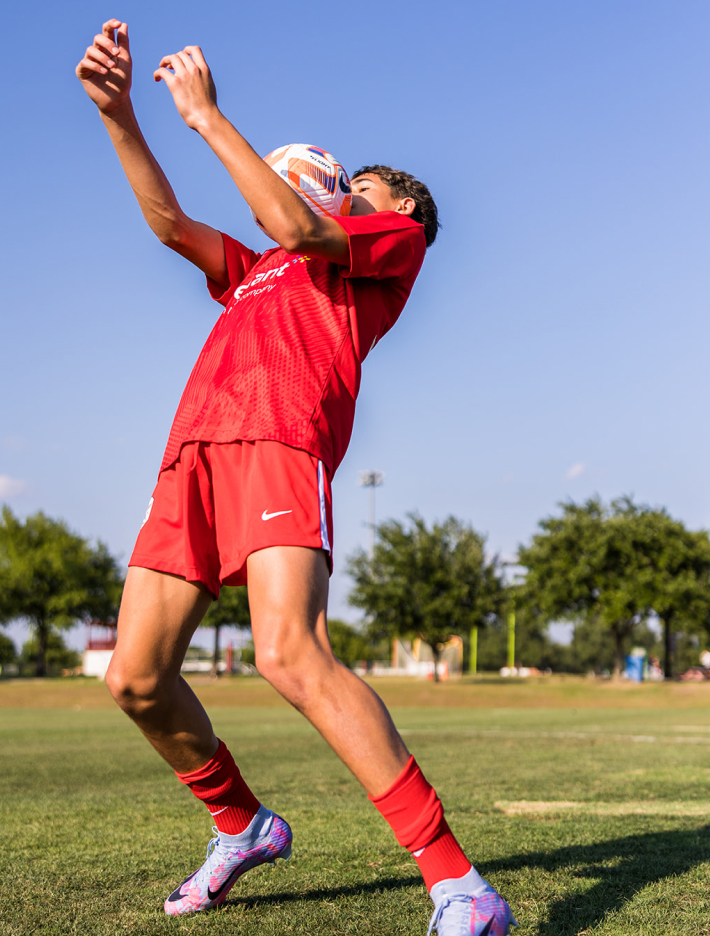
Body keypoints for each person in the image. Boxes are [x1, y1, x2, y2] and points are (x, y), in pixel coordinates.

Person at [75, 19, 516, 936]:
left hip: (280, 439)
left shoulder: (383, 246)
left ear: (394, 213)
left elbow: (297, 218)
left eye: (362, 182)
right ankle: (241, 825)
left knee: (287, 652)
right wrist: (121, 115)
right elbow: (168, 224)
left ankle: (458, 885)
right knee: (134, 678)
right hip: (192, 453)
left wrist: (208, 117)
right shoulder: (263, 268)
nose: (348, 184)